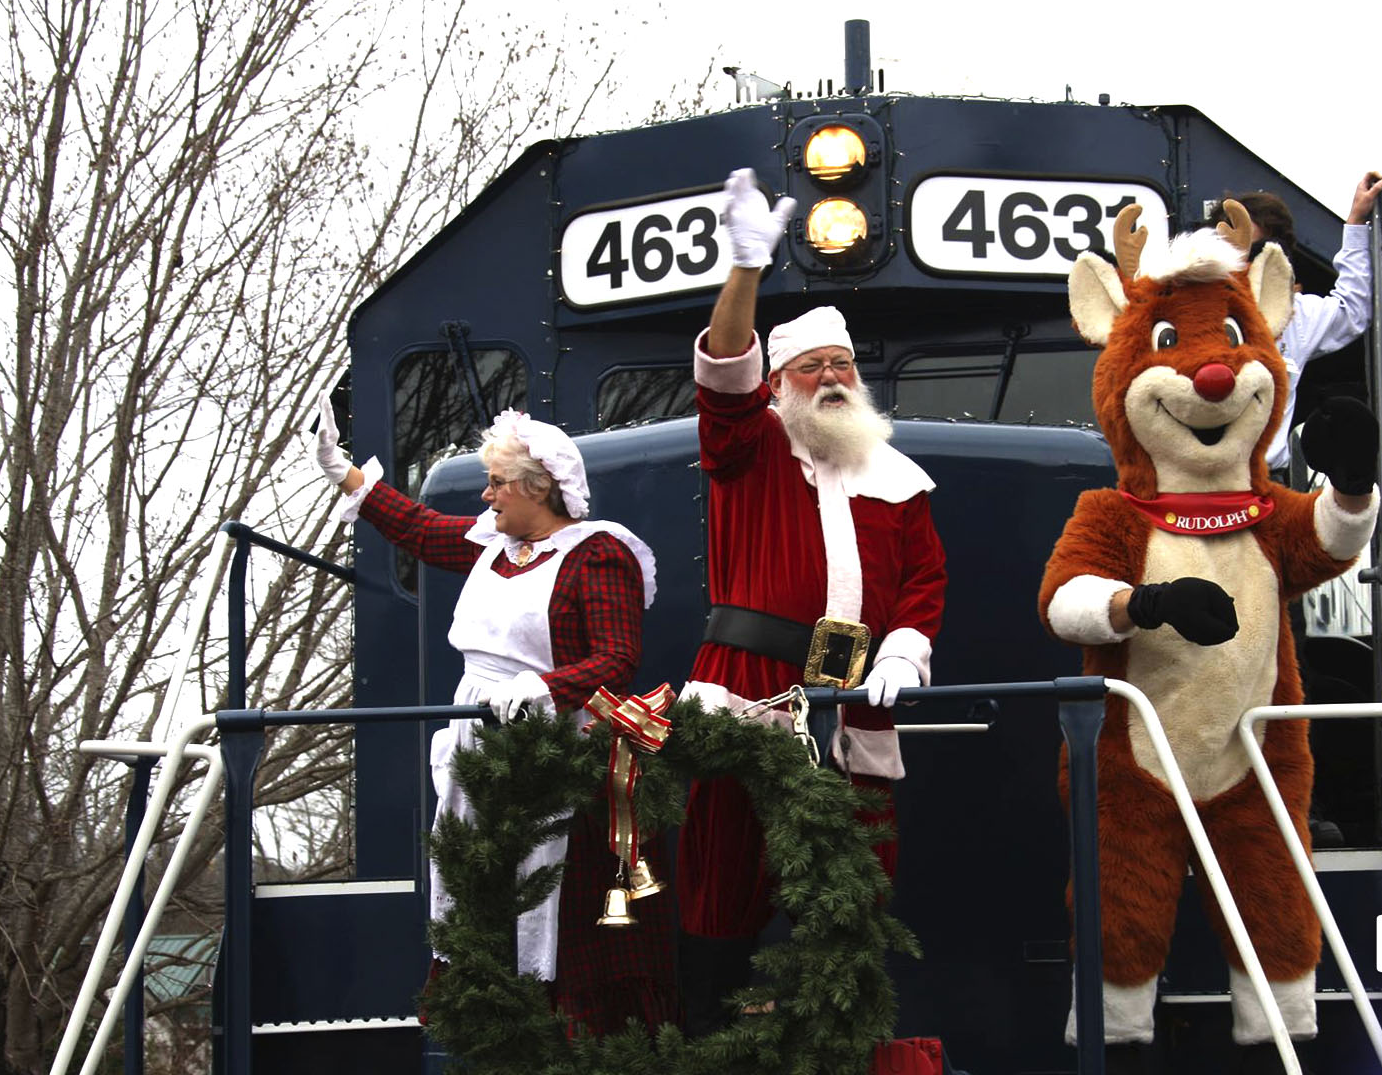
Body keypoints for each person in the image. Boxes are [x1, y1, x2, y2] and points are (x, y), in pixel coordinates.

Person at [673, 168, 948, 1034]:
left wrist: (904, 649)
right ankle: (710, 1042)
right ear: (782, 382)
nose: (830, 377)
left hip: (854, 693)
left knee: (852, 883)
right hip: (747, 683)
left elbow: (924, 584)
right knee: (723, 876)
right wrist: (746, 269)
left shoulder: (898, 479)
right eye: (810, 366)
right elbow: (723, 375)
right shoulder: (750, 446)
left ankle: (842, 1045)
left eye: (842, 364)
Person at [309, 401, 677, 1036]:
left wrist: (547, 686)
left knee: (554, 896)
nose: (486, 495)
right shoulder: (493, 544)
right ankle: (486, 1019)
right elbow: (420, 530)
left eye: (498, 483)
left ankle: (564, 1027)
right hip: (475, 742)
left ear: (539, 487)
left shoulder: (597, 553)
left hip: (556, 752)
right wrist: (343, 473)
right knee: (471, 880)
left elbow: (618, 657)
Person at [1220, 172, 1382, 478]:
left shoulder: (1296, 316)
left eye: (1256, 251)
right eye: (1232, 250)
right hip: (1188, 492)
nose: (1243, 263)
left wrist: (1355, 223)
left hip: (1265, 491)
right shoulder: (1180, 308)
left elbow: (1351, 309)